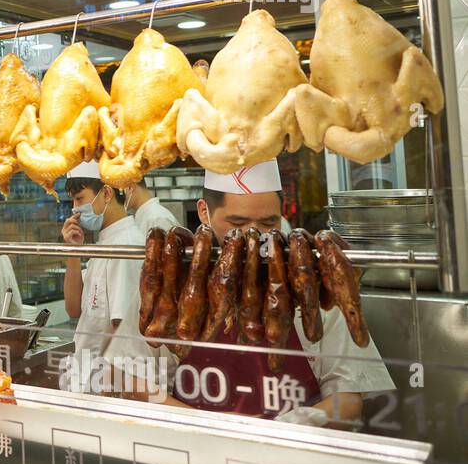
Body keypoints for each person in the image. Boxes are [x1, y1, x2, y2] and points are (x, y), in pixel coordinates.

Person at [155, 161, 395, 425]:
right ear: (204, 212)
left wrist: (287, 429)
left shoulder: (313, 287)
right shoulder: (176, 284)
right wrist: (218, 432)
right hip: (197, 454)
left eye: (269, 222)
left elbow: (349, 400)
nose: (254, 235)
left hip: (292, 456)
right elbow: (138, 385)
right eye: (237, 222)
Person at [60, 161, 162, 384]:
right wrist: (73, 251)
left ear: (106, 193)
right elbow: (73, 308)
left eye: (80, 199)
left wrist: (112, 387)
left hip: (106, 383)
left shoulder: (125, 245)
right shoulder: (105, 242)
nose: (75, 208)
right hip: (90, 379)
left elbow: (123, 331)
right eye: (73, 201)